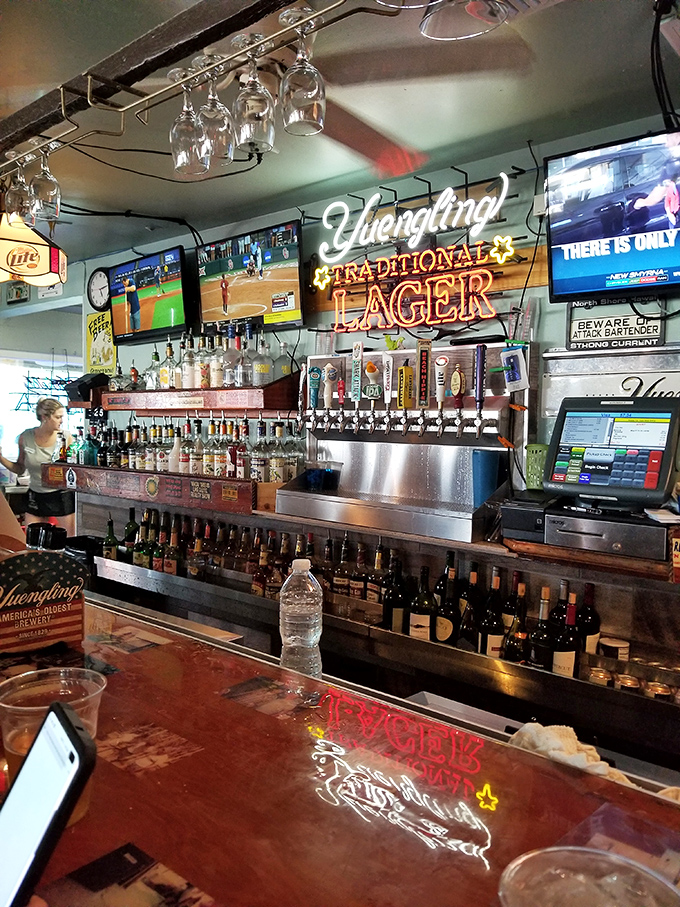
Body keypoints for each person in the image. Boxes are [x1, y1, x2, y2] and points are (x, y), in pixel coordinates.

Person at [0, 398, 76, 536]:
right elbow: (20, 469)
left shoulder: (66, 437)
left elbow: (73, 469)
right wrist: (1, 458)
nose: (62, 421)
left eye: (62, 417)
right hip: (36, 496)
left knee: (69, 543)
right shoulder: (26, 437)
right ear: (44, 417)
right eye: (58, 417)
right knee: (32, 544)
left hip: (60, 496)